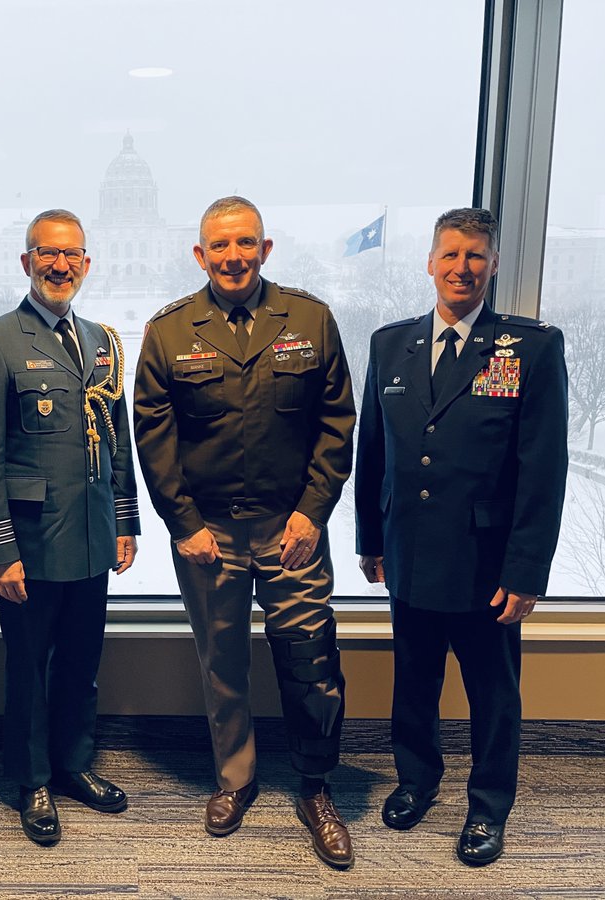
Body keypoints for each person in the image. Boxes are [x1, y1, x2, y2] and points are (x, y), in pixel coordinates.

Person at [133, 196, 355, 869]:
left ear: (265, 248)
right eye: (220, 246)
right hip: (210, 535)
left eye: (245, 243)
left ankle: (315, 787)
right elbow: (154, 437)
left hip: (293, 530)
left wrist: (313, 511)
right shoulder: (170, 330)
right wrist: (183, 524)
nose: (233, 257)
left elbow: (337, 422)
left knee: (311, 661)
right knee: (223, 663)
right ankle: (236, 779)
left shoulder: (310, 319)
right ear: (200, 255)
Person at [354, 207, 568, 867]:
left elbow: (543, 469)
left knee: (492, 695)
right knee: (414, 682)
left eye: (475, 255)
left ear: (493, 265)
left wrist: (526, 570)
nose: (461, 268)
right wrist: (370, 539)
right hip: (410, 551)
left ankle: (488, 806)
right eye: (450, 254)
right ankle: (416, 780)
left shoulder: (528, 348)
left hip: (485, 564)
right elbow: (374, 452)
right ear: (430, 262)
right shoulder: (391, 345)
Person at [0, 209, 141, 846]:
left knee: (82, 663)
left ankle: (73, 764)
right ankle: (32, 779)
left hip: (91, 535)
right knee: (29, 667)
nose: (60, 266)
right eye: (47, 254)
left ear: (86, 263)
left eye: (71, 255)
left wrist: (124, 519)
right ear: (27, 261)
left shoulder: (103, 341)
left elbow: (116, 439)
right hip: (29, 542)